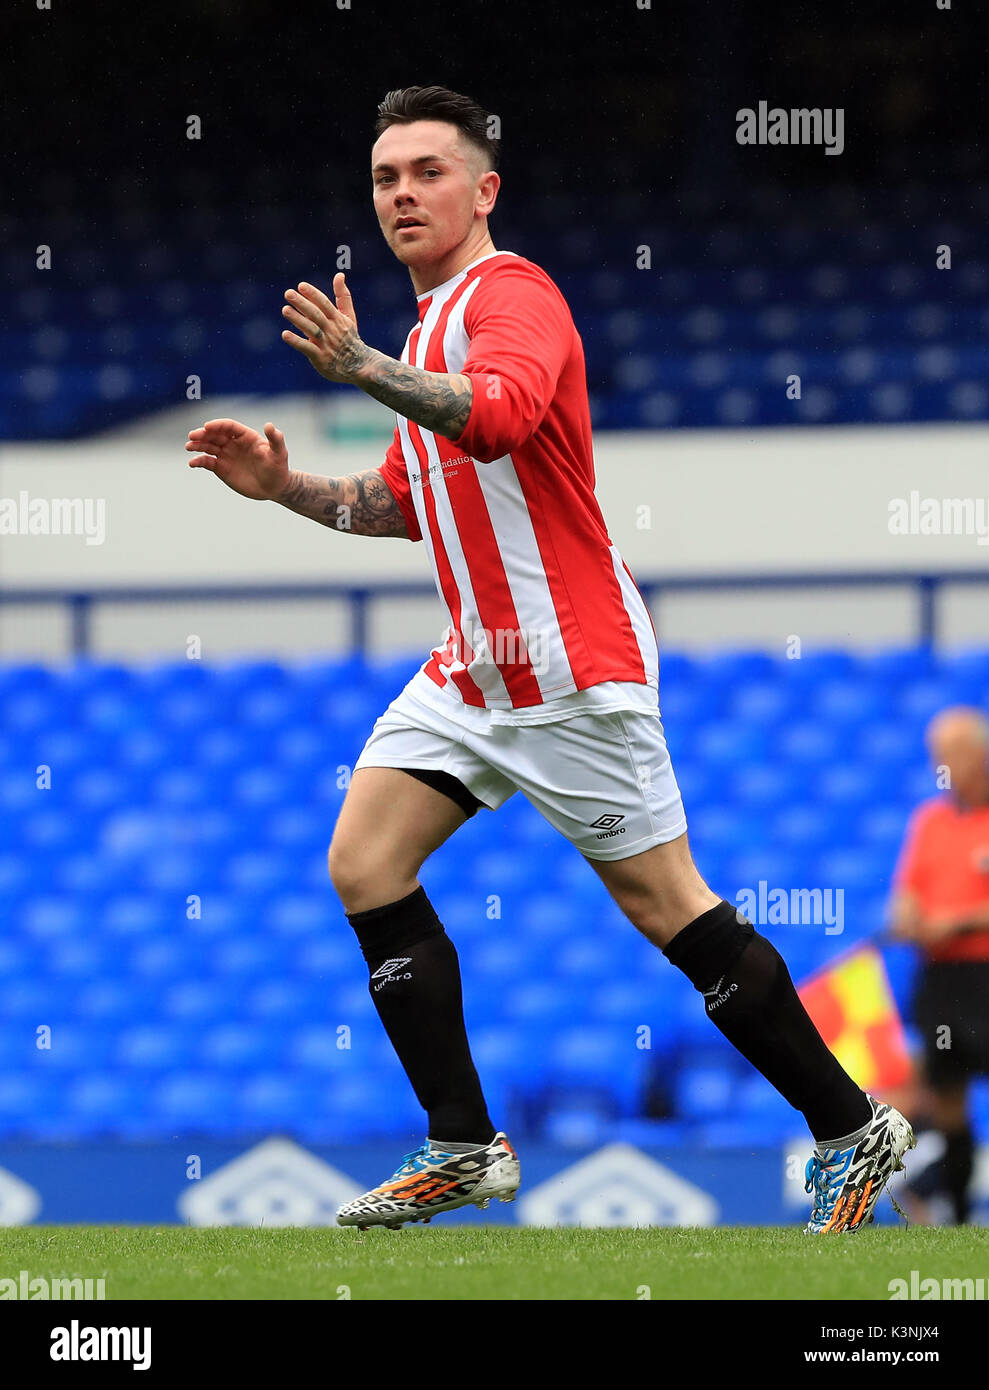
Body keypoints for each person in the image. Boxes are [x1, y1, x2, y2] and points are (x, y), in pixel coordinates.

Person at [185, 84, 914, 1233]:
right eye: (385, 177)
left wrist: (365, 367)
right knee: (364, 862)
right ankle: (463, 1146)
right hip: (473, 668)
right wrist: (284, 489)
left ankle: (848, 1124)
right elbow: (402, 502)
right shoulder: (425, 333)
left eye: (428, 171)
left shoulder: (509, 294)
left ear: (484, 191)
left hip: (570, 665)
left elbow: (502, 417)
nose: (402, 193)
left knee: (667, 907)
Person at [889, 706, 989, 1224]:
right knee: (947, 1097)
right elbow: (906, 894)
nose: (941, 766)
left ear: (980, 754)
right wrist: (908, 916)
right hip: (942, 980)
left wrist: (957, 921)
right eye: (936, 756)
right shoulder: (930, 821)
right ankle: (958, 1211)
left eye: (949, 754)